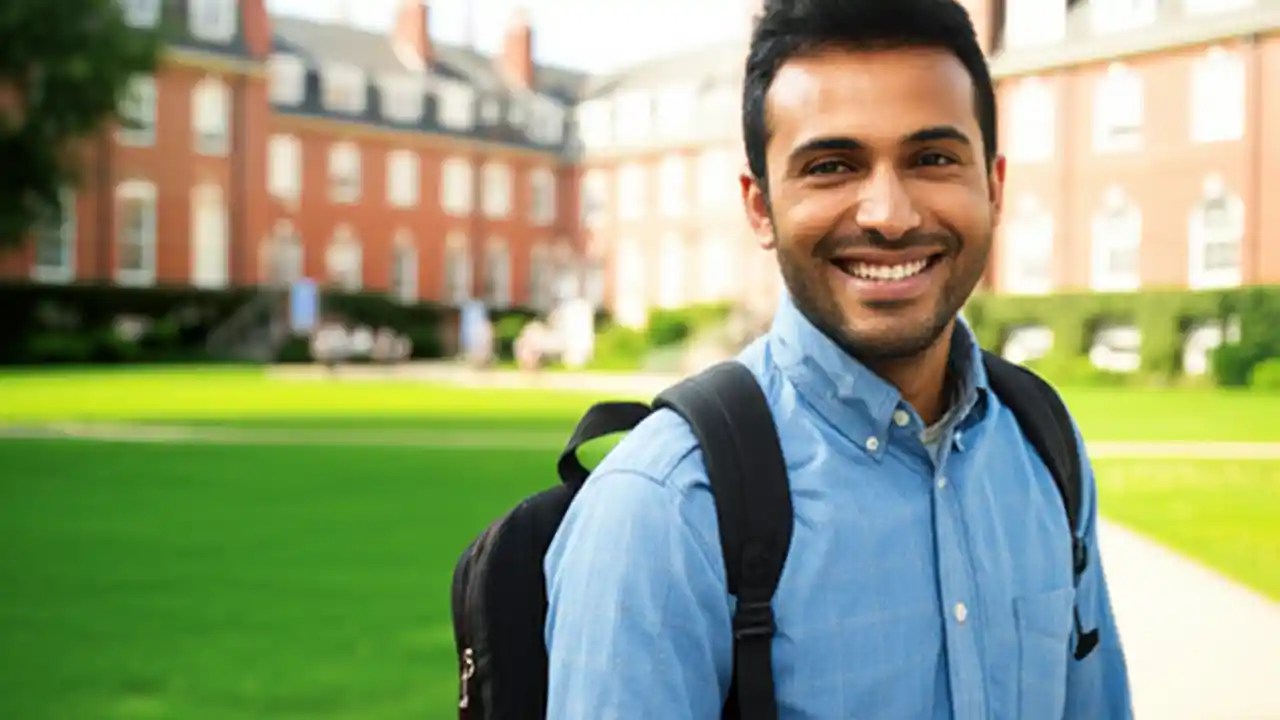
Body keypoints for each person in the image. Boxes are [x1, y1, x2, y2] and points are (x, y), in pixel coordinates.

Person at [541, 0, 1133, 717]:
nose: (889, 214)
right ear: (760, 207)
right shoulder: (664, 509)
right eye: (831, 166)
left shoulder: (1043, 444)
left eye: (933, 159)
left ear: (995, 186)